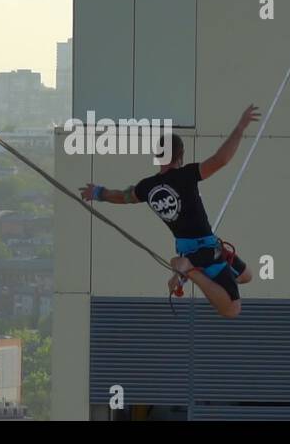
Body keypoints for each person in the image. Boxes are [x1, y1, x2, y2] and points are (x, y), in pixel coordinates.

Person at [80, 105, 261, 319]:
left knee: (246, 276)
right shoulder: (187, 175)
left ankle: (195, 263)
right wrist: (240, 127)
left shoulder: (147, 187)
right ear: (180, 155)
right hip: (203, 248)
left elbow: (121, 196)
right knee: (232, 310)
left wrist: (99, 193)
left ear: (158, 156)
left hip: (190, 245)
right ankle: (190, 270)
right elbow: (220, 160)